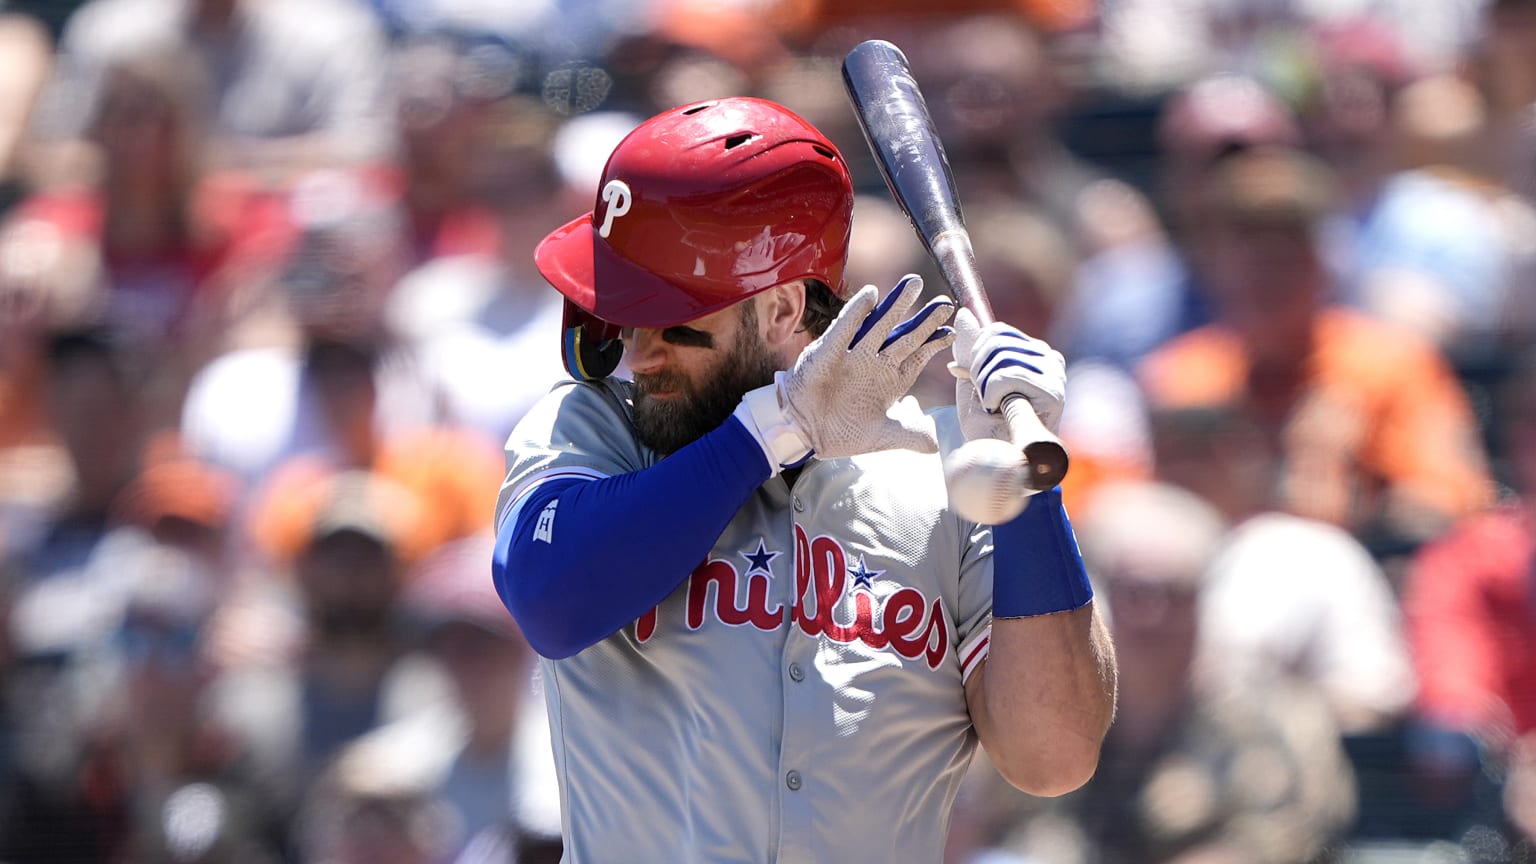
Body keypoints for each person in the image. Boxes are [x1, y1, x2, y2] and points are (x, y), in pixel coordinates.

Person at [490, 96, 1117, 861]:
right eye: (624, 316)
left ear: (783, 308)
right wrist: (777, 427)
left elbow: (1052, 757)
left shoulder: (948, 469)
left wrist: (1026, 492)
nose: (638, 352)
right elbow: (553, 599)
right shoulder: (594, 432)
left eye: (671, 322)